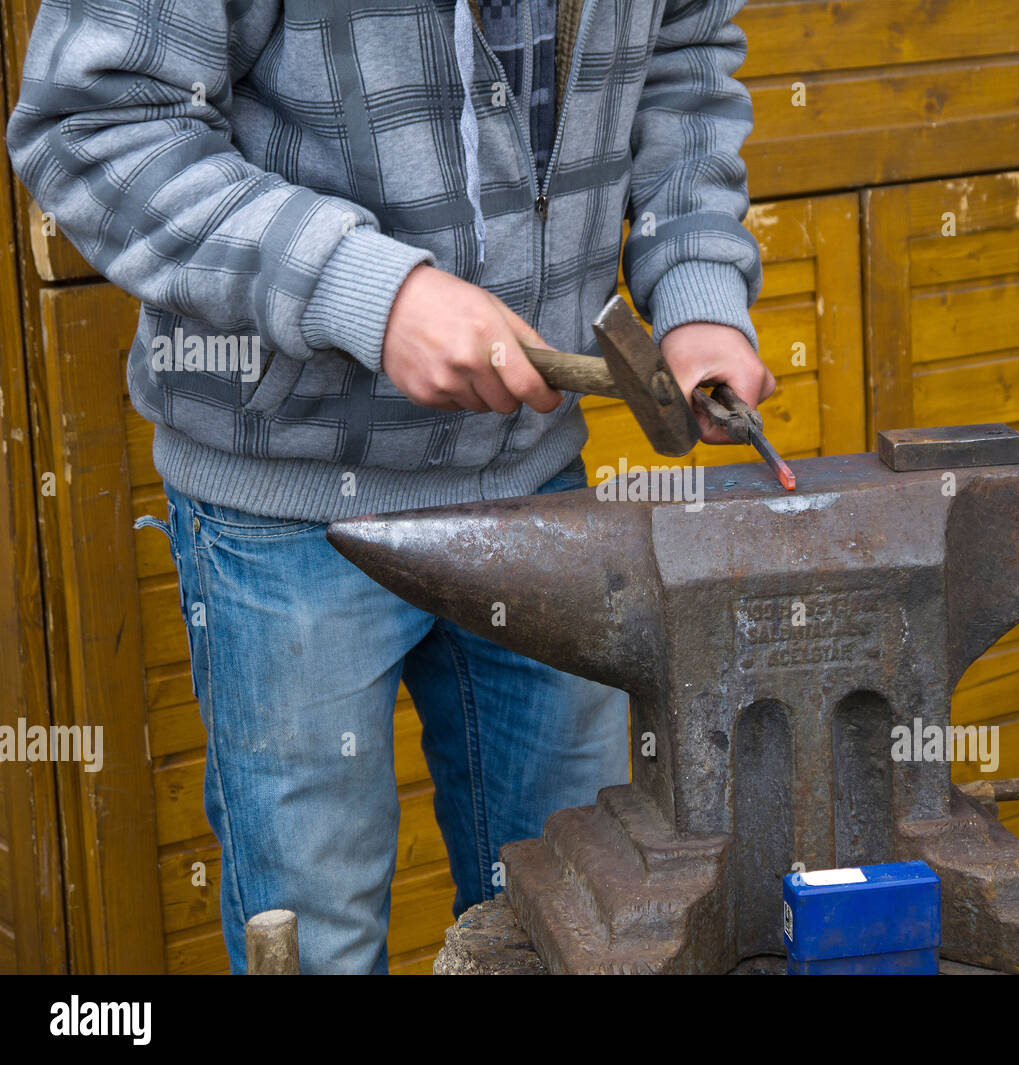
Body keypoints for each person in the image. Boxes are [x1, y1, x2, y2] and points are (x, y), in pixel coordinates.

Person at [7, 0, 772, 973]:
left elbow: (681, 63)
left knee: (577, 920)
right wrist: (370, 291)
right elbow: (95, 127)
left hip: (534, 489)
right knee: (314, 942)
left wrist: (698, 287)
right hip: (286, 508)